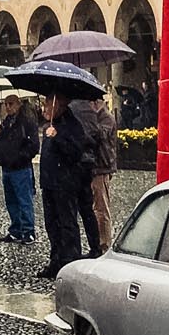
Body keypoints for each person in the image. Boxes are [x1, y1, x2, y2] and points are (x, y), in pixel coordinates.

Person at [37, 91, 98, 277]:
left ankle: (70, 263)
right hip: (49, 183)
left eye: (48, 104)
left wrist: (58, 137)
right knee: (52, 224)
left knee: (67, 224)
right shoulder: (51, 124)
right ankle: (55, 260)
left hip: (64, 184)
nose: (44, 108)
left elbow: (74, 152)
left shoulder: (72, 125)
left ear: (58, 105)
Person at [73, 89, 119, 250]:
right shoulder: (97, 117)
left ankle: (105, 243)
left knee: (101, 208)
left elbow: (100, 136)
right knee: (94, 207)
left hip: (102, 166)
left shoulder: (106, 118)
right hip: (93, 166)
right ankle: (99, 241)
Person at [0, 94, 39, 243]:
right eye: (6, 104)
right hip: (7, 167)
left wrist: (19, 157)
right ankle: (16, 230)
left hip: (20, 167)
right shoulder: (7, 122)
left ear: (18, 104)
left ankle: (28, 231)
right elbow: (1, 144)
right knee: (11, 201)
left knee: (24, 200)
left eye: (11, 104)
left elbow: (33, 146)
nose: (8, 107)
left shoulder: (26, 121)